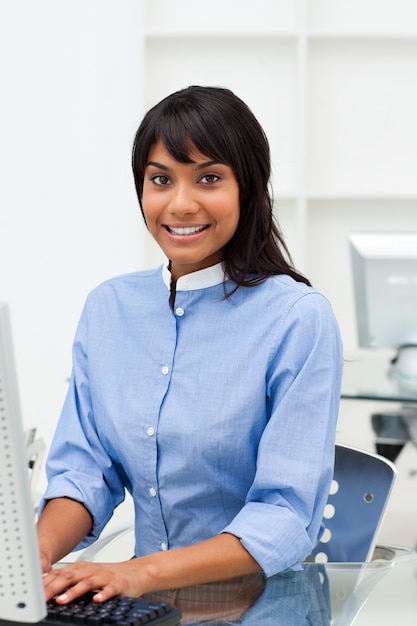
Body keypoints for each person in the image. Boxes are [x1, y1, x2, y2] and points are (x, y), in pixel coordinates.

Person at [37, 85, 343, 605]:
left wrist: (142, 574)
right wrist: (31, 561)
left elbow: (284, 517)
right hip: (141, 605)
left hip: (260, 606)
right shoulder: (108, 309)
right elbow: (86, 470)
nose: (180, 203)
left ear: (248, 188)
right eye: (160, 180)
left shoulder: (298, 319)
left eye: (209, 178)